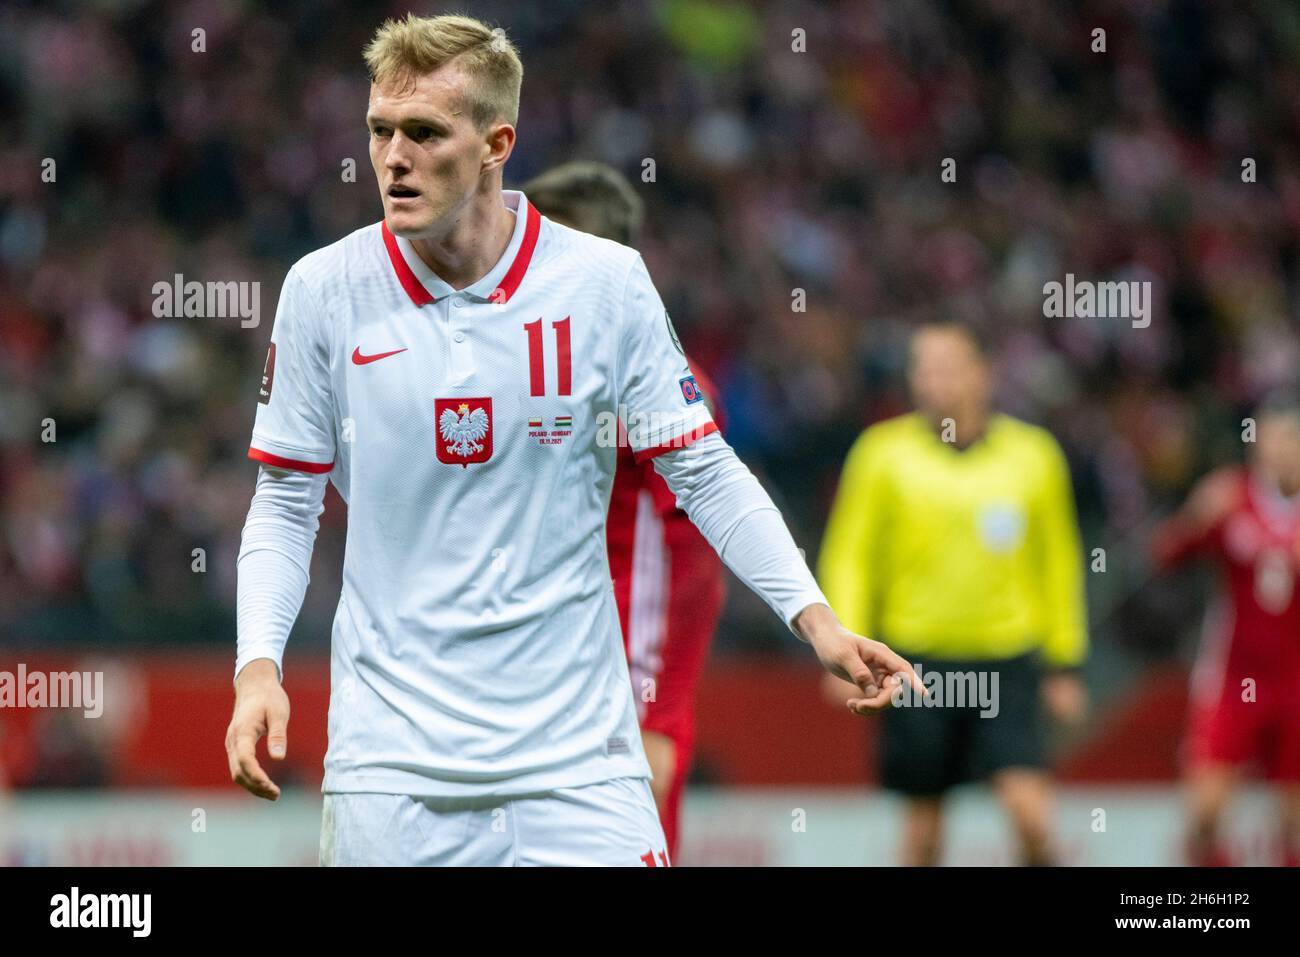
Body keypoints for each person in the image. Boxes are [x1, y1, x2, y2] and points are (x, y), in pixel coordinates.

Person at [225, 13, 922, 867]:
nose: (393, 157)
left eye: (424, 132)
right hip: (390, 773)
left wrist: (816, 620)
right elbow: (287, 502)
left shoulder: (602, 284)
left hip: (579, 772)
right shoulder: (322, 291)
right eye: (379, 131)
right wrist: (257, 665)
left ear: (496, 142)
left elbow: (704, 471)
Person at [818, 322, 1088, 866]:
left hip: (1007, 661)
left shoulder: (1034, 455)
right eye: (921, 367)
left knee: (1032, 819)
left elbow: (1058, 564)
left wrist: (1064, 662)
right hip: (917, 662)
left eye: (946, 366)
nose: (930, 379)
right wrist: (839, 648)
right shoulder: (880, 453)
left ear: (982, 373)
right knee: (923, 835)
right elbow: (850, 557)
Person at [524, 161, 724, 859]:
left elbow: (695, 563)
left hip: (619, 692)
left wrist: (659, 714)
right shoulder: (509, 370)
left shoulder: (664, 388)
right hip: (518, 679)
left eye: (538, 244)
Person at [1150, 395, 1300, 867]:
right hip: (1233, 678)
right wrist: (1196, 516)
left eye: (1292, 439)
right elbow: (1166, 557)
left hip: (1295, 683)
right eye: (1272, 438)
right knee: (1205, 812)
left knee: (1293, 821)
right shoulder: (1231, 496)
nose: (1282, 450)